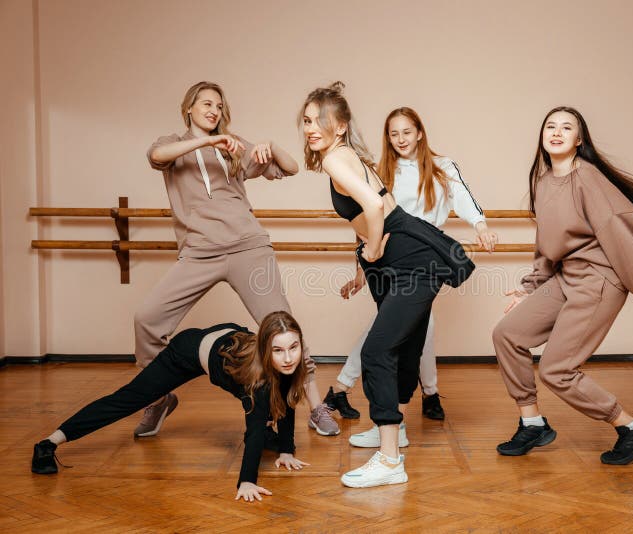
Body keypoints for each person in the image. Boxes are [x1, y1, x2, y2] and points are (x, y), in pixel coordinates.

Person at [135, 81, 338, 438]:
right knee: (147, 320)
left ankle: (315, 405)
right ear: (189, 108)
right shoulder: (174, 145)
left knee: (283, 326)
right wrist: (207, 141)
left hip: (247, 248)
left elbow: (290, 168)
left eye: (219, 106)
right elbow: (157, 157)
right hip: (200, 252)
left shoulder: (233, 146)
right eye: (206, 104)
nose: (213, 111)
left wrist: (270, 146)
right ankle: (158, 398)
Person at [300, 82, 474, 487]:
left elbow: (376, 206)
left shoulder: (335, 159)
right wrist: (368, 258)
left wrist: (374, 248)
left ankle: (390, 460)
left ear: (340, 126)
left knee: (377, 350)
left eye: (319, 120)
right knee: (406, 345)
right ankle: (395, 431)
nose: (310, 128)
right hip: (405, 255)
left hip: (409, 258)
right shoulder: (347, 154)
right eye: (306, 121)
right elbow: (369, 212)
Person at [492, 106, 633, 465]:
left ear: (579, 140)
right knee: (507, 335)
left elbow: (621, 234)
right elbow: (548, 242)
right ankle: (532, 424)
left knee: (556, 370)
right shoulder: (544, 182)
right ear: (542, 136)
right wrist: (531, 285)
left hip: (599, 280)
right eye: (550, 126)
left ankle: (632, 428)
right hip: (566, 277)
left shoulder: (588, 179)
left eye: (566, 127)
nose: (557, 132)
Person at [327, 107, 497, 427]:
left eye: (407, 132)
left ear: (420, 132)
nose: (401, 139)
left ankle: (355, 391)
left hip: (421, 255)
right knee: (397, 330)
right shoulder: (381, 170)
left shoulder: (442, 166)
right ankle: (414, 399)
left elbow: (462, 196)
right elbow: (365, 222)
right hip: (385, 258)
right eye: (394, 134)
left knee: (408, 328)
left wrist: (481, 226)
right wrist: (360, 269)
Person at [31, 311, 310, 502]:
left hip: (227, 344)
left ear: (300, 344)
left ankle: (270, 432)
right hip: (188, 351)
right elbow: (253, 433)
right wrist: (246, 481)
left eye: (293, 347)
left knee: (274, 390)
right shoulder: (257, 382)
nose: (288, 358)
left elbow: (287, 398)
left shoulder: (289, 365)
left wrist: (287, 449)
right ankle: (49, 442)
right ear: (265, 349)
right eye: (278, 350)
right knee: (127, 399)